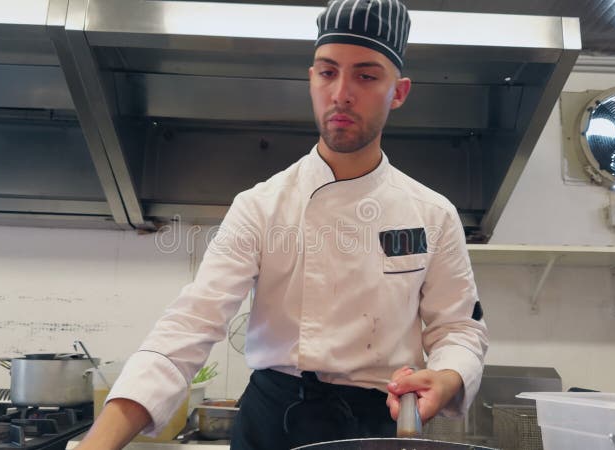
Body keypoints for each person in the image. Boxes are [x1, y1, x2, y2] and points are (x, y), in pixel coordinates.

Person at [75, 1, 488, 449]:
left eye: (366, 76)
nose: (341, 93)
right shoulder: (261, 206)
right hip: (275, 425)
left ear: (399, 92)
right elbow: (190, 326)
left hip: (380, 423)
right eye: (328, 72)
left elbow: (458, 328)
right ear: (311, 78)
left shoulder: (432, 213)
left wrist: (447, 377)